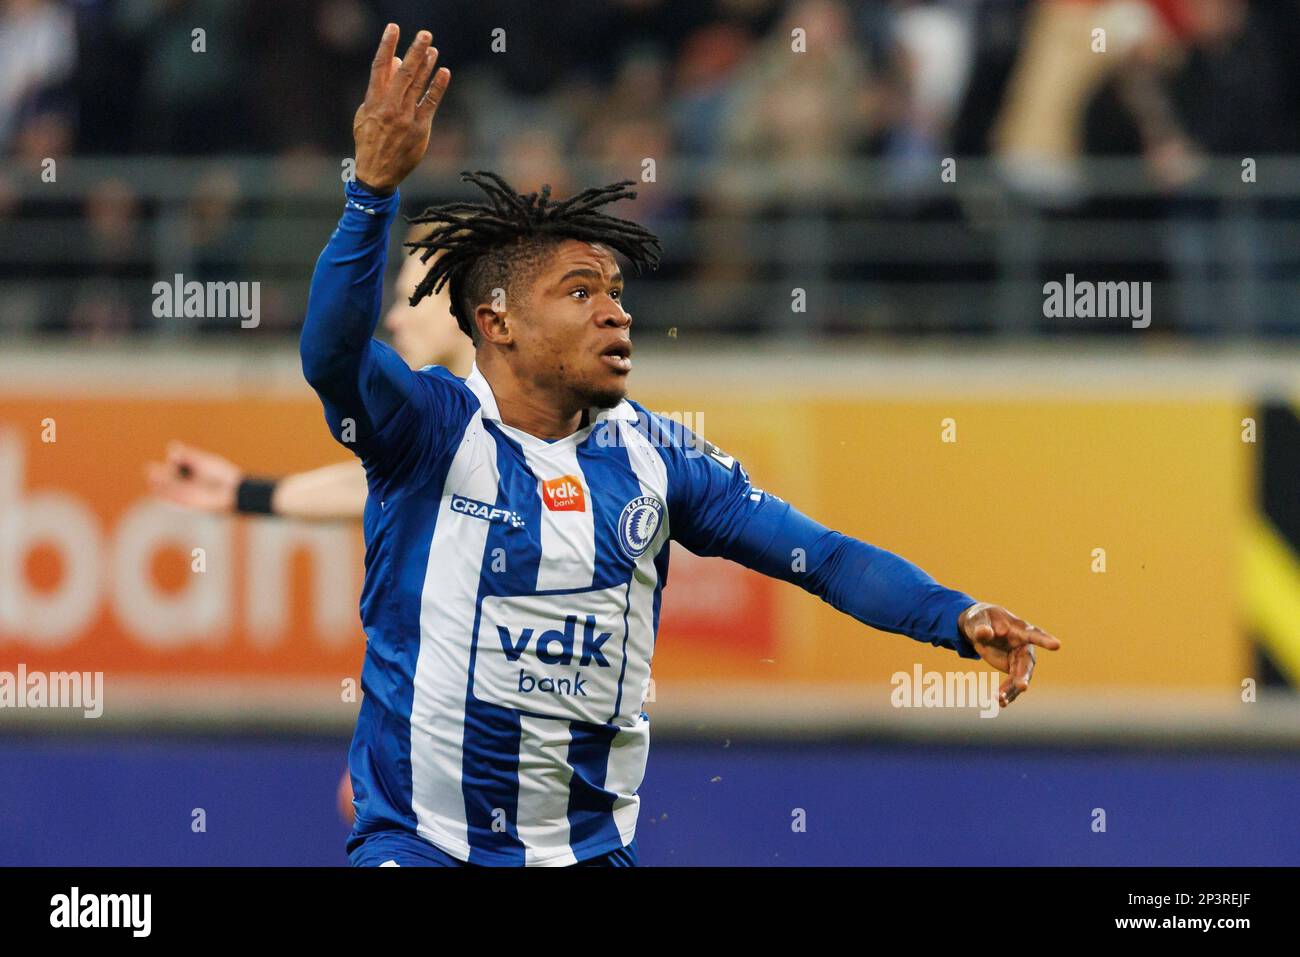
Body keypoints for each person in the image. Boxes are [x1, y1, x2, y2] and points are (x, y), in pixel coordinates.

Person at [295, 24, 1061, 868]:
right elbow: (332, 354)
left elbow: (825, 558)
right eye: (580, 292)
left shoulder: (662, 460)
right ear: (498, 322)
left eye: (616, 293)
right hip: (422, 847)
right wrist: (372, 190)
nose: (615, 313)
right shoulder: (428, 429)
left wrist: (952, 614)